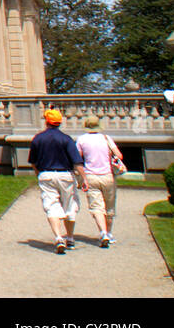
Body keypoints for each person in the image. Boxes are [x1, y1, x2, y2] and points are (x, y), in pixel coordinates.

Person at [27, 108, 89, 254]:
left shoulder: (38, 138)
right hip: (65, 174)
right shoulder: (66, 139)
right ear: (59, 122)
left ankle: (58, 237)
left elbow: (33, 161)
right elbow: (77, 161)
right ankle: (70, 238)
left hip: (46, 174)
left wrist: (39, 174)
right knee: (70, 205)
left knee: (51, 205)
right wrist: (84, 178)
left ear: (47, 121)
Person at [76, 115, 125, 247]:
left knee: (96, 206)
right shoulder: (106, 138)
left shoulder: (81, 139)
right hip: (108, 175)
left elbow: (77, 159)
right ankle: (109, 233)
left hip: (91, 176)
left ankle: (103, 232)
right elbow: (119, 155)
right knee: (109, 207)